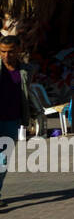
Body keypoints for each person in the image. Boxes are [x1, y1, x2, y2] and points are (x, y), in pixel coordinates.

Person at [0, 35, 38, 209]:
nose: (6, 56)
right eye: (2, 51)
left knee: (3, 161)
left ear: (19, 51)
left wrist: (34, 114)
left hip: (12, 120)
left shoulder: (26, 70)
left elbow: (26, 94)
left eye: (10, 52)